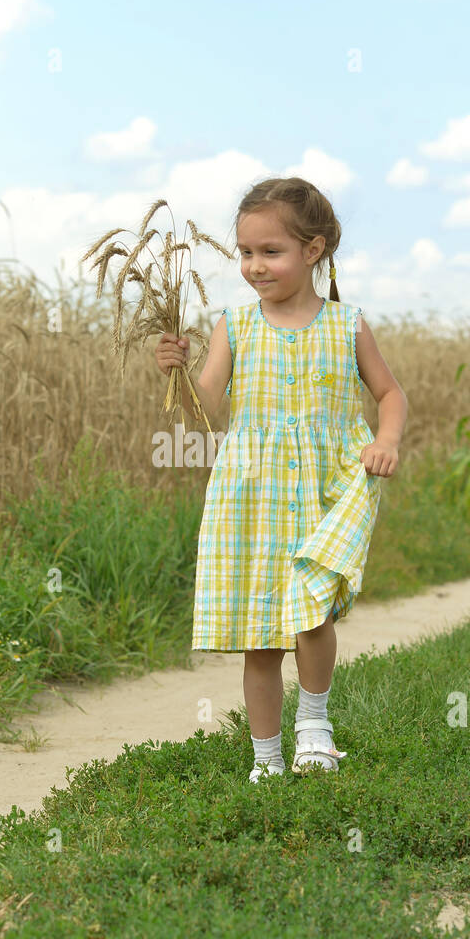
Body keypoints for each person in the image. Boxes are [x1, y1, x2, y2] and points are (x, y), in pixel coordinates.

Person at [155, 177, 407, 781]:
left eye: (270, 252)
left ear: (313, 251)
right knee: (260, 632)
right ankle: (265, 757)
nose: (254, 266)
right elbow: (205, 405)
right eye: (245, 253)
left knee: (312, 613)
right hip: (251, 494)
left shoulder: (347, 325)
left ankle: (314, 729)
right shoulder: (234, 326)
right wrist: (177, 371)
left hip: (328, 486)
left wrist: (386, 440)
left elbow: (390, 393)